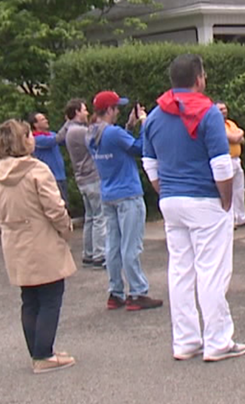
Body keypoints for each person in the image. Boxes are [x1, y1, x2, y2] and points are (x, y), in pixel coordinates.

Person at [142, 54, 245, 362]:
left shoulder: (154, 115)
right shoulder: (209, 113)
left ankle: (186, 340)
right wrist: (226, 198)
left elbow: (149, 163)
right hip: (204, 198)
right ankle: (218, 341)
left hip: (171, 201)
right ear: (199, 78)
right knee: (212, 270)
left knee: (180, 270)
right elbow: (220, 161)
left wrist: (165, 191)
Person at [0, 119, 78, 375]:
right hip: (42, 238)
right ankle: (44, 354)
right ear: (22, 140)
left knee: (29, 298)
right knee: (51, 295)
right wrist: (64, 229)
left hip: (15, 241)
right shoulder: (38, 170)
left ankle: (38, 351)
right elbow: (54, 207)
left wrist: (9, 227)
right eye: (29, 135)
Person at [87, 91, 162, 312]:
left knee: (113, 246)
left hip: (108, 192)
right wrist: (144, 124)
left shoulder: (91, 134)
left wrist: (129, 127)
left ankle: (116, 291)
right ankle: (137, 291)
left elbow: (121, 148)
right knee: (131, 245)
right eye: (116, 107)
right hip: (127, 192)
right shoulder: (113, 133)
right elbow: (139, 149)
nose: (118, 111)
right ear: (109, 110)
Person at [57, 99, 105, 269]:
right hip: (92, 177)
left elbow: (58, 137)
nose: (87, 113)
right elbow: (99, 138)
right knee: (100, 217)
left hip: (82, 178)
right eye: (84, 110)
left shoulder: (69, 130)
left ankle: (88, 254)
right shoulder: (79, 131)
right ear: (77, 112)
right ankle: (99, 254)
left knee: (91, 217)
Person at [216, 101, 245, 229]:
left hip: (237, 159)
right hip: (227, 160)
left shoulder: (230, 123)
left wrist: (238, 134)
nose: (223, 111)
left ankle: (241, 217)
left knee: (239, 189)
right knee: (228, 191)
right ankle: (230, 220)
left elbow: (241, 139)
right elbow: (234, 138)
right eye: (220, 109)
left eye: (224, 109)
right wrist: (239, 133)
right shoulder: (217, 125)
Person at [29, 112, 68, 204]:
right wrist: (69, 123)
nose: (46, 121)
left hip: (61, 176)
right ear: (35, 124)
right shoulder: (36, 139)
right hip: (50, 179)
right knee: (58, 205)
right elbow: (55, 140)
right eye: (42, 120)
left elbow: (63, 140)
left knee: (65, 204)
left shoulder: (51, 134)